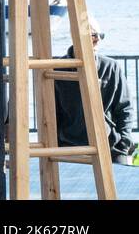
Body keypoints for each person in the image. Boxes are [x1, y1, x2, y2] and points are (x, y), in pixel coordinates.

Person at [53, 16, 136, 166]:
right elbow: (52, 112)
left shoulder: (111, 67)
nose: (98, 39)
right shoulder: (57, 70)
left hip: (110, 146)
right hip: (70, 147)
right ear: (76, 36)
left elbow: (124, 108)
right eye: (93, 35)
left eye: (100, 35)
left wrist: (124, 141)